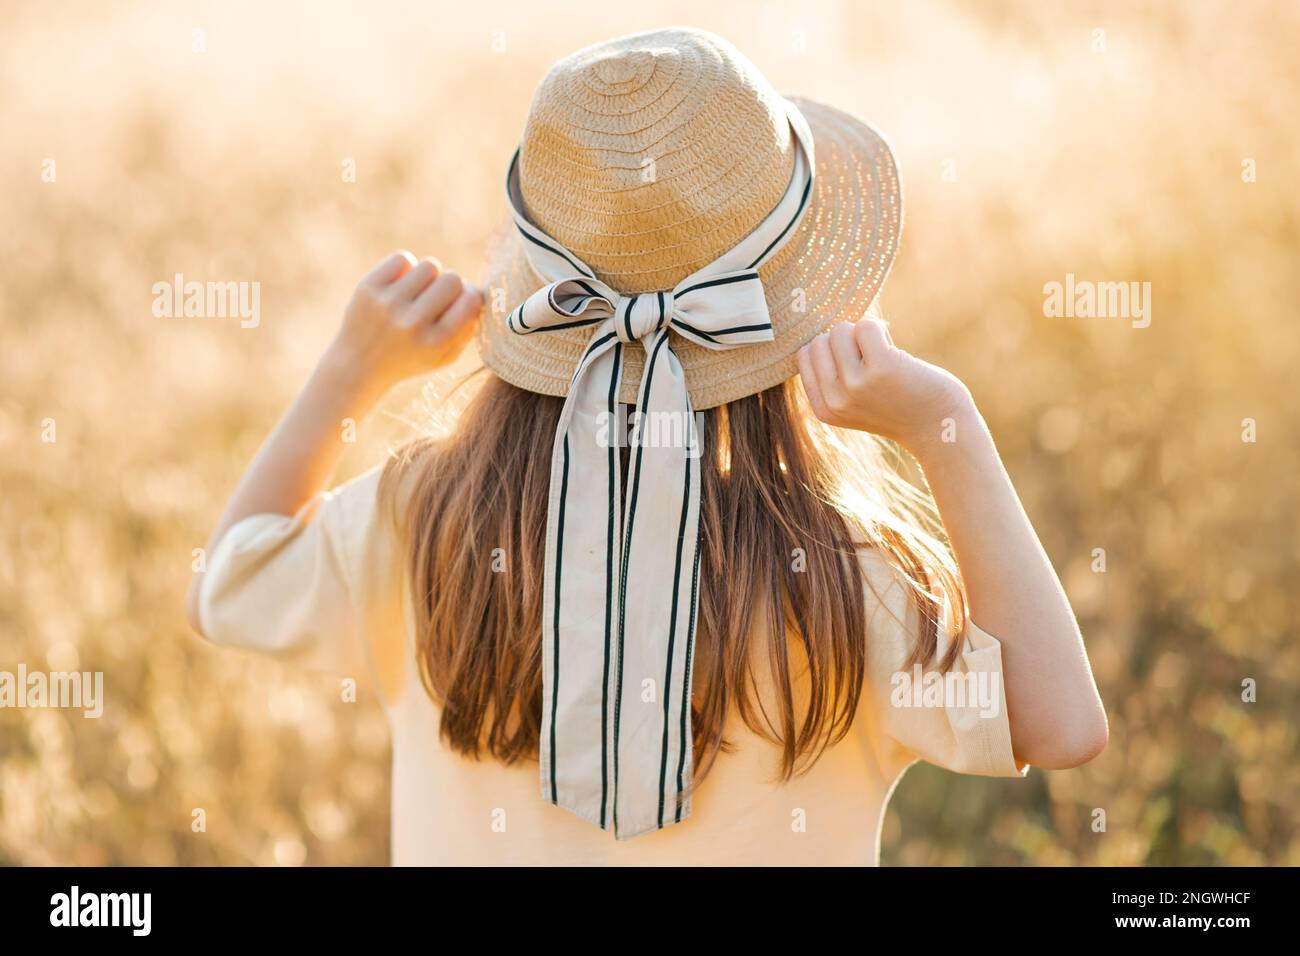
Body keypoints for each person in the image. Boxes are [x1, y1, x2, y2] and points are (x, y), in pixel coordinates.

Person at [187, 27, 1106, 865]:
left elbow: (225, 585)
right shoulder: (837, 577)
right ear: (788, 309)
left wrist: (350, 370)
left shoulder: (423, 522)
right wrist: (948, 426)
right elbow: (1061, 726)